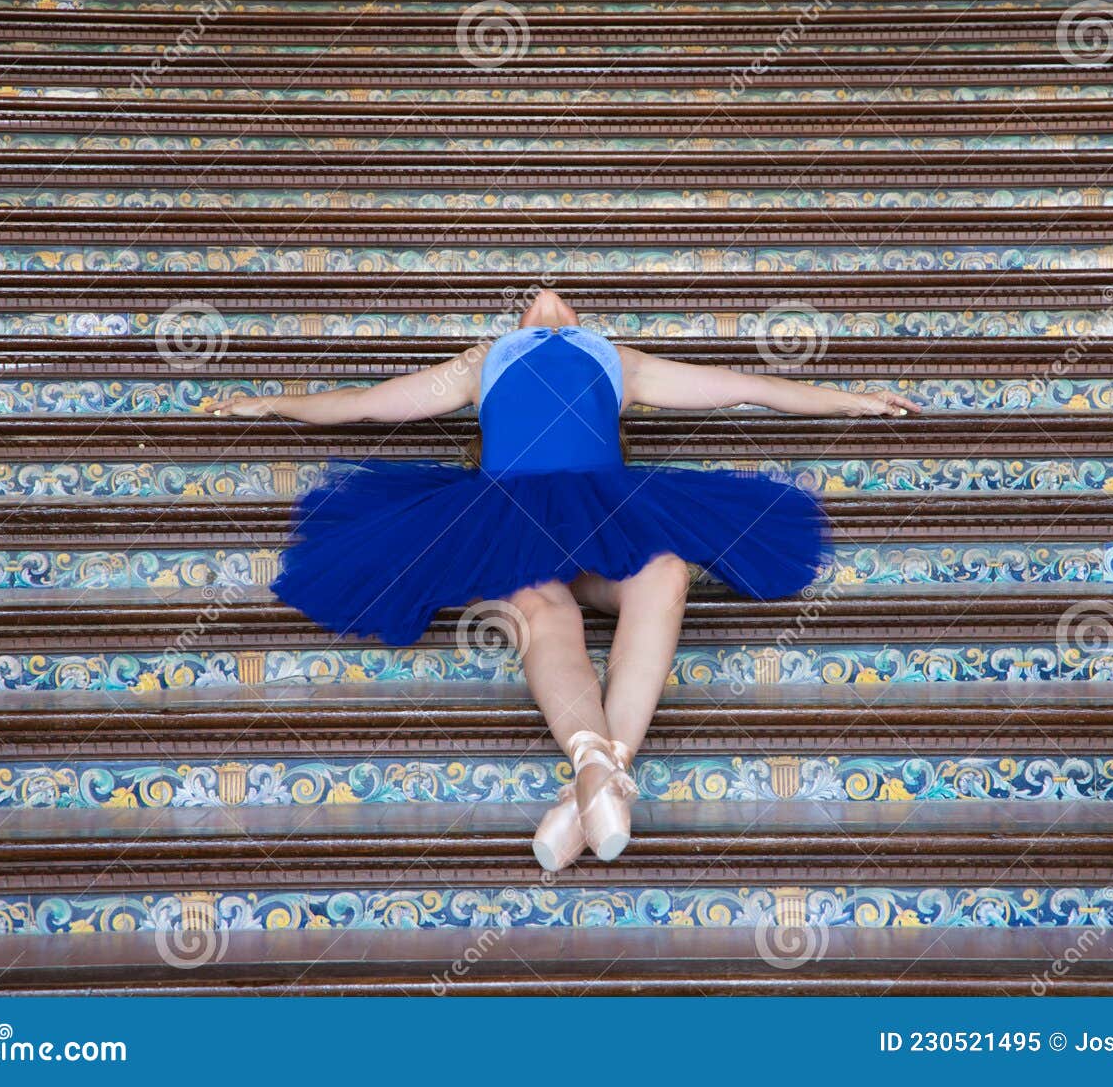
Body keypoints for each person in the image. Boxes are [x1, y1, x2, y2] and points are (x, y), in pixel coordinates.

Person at [211, 289, 917, 870]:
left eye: (563, 297)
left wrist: (846, 399)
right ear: (512, 323)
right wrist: (271, 405)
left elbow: (743, 389)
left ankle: (592, 787)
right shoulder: (478, 363)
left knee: (666, 572)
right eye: (527, 298)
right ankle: (600, 778)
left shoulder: (619, 361)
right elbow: (365, 403)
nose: (546, 296)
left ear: (582, 321)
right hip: (508, 519)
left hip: (605, 518)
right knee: (544, 609)